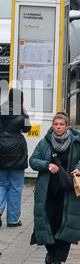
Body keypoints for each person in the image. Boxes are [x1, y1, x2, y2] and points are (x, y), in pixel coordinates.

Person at [30, 111, 80, 264]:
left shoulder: (76, 142)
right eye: (56, 124)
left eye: (61, 124)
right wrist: (47, 165)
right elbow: (33, 161)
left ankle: (57, 261)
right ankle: (50, 251)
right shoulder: (45, 143)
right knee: (45, 223)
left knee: (67, 225)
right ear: (53, 126)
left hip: (69, 190)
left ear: (67, 126)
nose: (58, 127)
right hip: (48, 190)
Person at [0, 87, 30, 227]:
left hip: (1, 150)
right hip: (17, 151)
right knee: (16, 186)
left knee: (1, 183)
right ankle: (13, 219)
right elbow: (27, 129)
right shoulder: (21, 114)